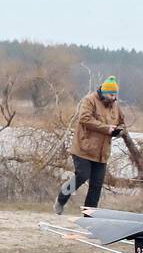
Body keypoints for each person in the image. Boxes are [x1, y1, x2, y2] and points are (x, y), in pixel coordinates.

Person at [54, 76, 126, 214]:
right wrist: (106, 128)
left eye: (115, 94)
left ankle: (89, 217)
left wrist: (119, 131)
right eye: (111, 94)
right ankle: (61, 199)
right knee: (82, 176)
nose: (113, 97)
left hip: (102, 153)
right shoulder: (89, 100)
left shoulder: (115, 106)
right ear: (104, 92)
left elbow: (122, 123)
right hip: (83, 148)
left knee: (96, 186)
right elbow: (84, 119)